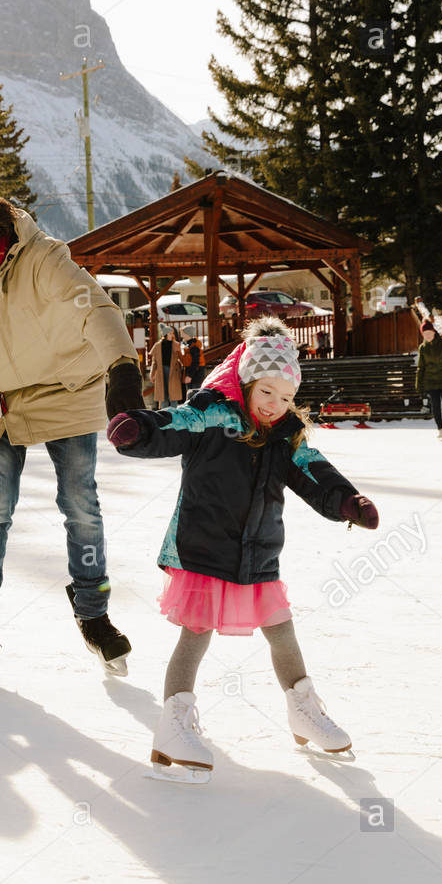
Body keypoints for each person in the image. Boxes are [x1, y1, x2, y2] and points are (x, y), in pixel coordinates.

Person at [107, 316, 379, 783]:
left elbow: (317, 473)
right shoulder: (213, 413)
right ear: (248, 382)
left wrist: (348, 502)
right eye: (267, 392)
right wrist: (137, 428)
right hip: (204, 550)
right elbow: (173, 422)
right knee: (196, 633)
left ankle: (302, 711)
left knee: (281, 630)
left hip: (258, 554)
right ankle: (172, 726)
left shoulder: (285, 434)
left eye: (287, 396)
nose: (276, 405)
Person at [0, 183, 144, 681]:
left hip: (68, 386)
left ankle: (94, 613)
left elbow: (95, 307)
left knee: (81, 502)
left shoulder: (42, 258)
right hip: (0, 400)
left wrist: (122, 369)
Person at [416, 318, 442, 439]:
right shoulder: (422, 348)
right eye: (425, 334)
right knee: (436, 407)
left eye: (429, 333)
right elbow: (421, 367)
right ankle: (440, 429)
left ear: (434, 332)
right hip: (431, 383)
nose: (427, 335)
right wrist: (419, 384)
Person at [148, 325, 183, 409]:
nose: (172, 335)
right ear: (165, 334)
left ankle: (174, 412)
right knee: (163, 394)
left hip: (173, 372)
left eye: (173, 333)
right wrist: (152, 374)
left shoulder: (176, 344)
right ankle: (163, 413)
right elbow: (154, 362)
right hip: (161, 371)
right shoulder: (158, 345)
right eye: (170, 333)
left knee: (173, 394)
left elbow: (181, 359)